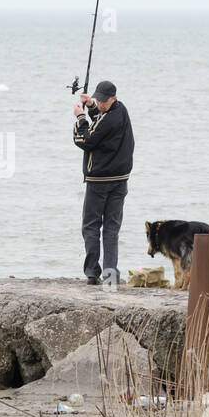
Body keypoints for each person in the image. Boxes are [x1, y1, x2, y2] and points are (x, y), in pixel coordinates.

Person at [72, 79, 135, 285]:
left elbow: (86, 140)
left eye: (103, 101)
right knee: (111, 228)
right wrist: (90, 105)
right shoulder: (121, 110)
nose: (100, 104)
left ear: (113, 98)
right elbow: (100, 121)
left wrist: (80, 117)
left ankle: (92, 273)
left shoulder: (108, 119)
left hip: (99, 180)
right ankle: (110, 276)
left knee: (91, 226)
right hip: (120, 180)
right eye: (98, 100)